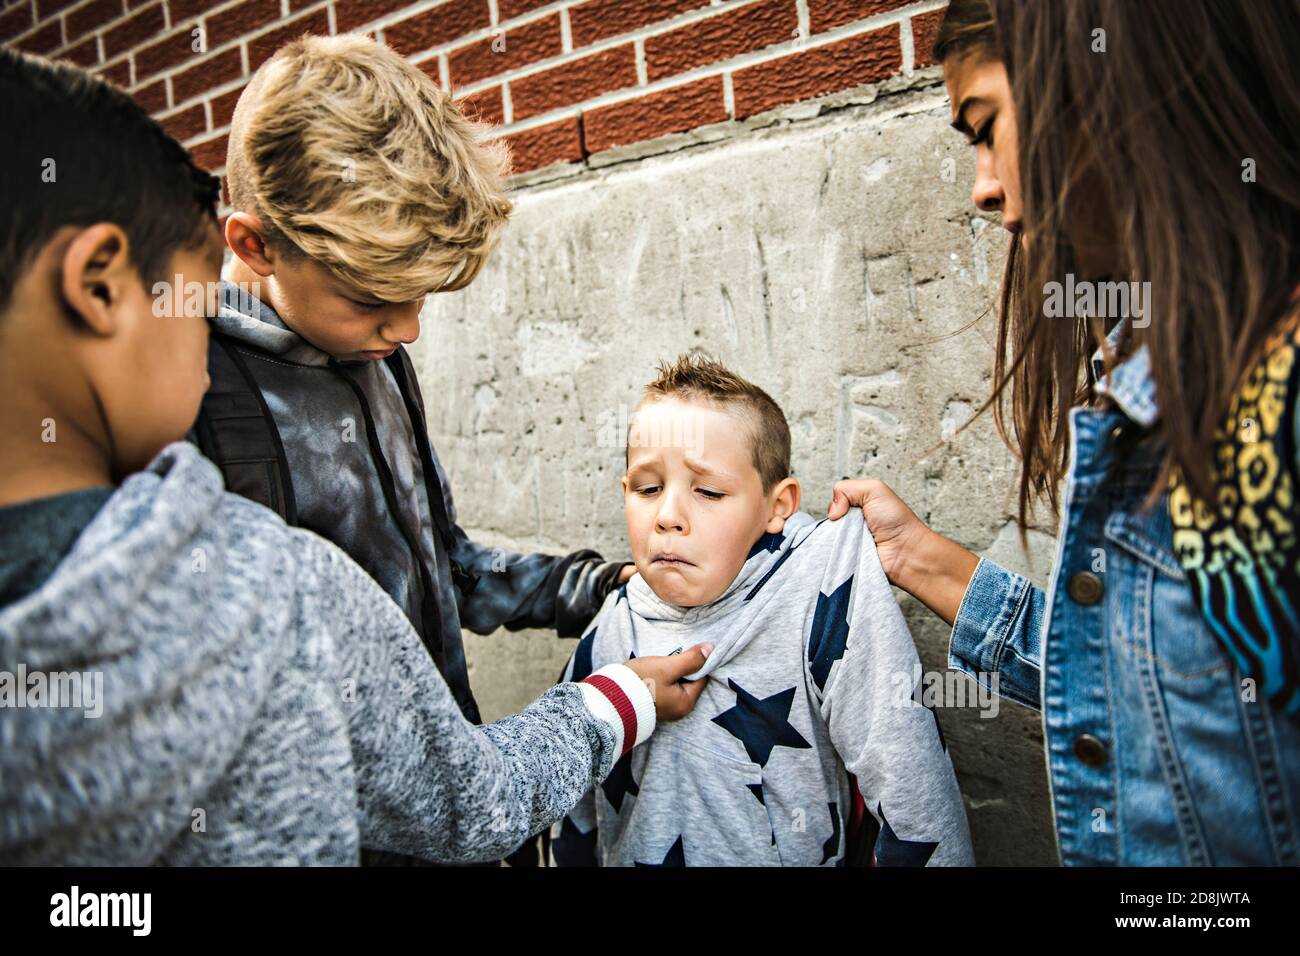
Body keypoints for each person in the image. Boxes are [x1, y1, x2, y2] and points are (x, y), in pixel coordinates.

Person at [0, 46, 708, 867]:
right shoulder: (171, 400)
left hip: (460, 780)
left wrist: (588, 588)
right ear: (256, 246)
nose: (407, 329)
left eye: (420, 299)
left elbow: (443, 562)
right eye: (374, 297)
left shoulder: (380, 360)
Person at [829, 0, 1300, 865]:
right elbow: (1151, 692)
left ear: (1117, 78)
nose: (982, 185)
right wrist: (917, 559)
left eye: (986, 126)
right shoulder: (1164, 368)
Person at [549, 355, 972, 866]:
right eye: (647, 488)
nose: (667, 516)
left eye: (707, 491)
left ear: (778, 506)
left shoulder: (821, 596)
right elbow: (572, 813)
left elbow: (914, 791)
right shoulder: (609, 627)